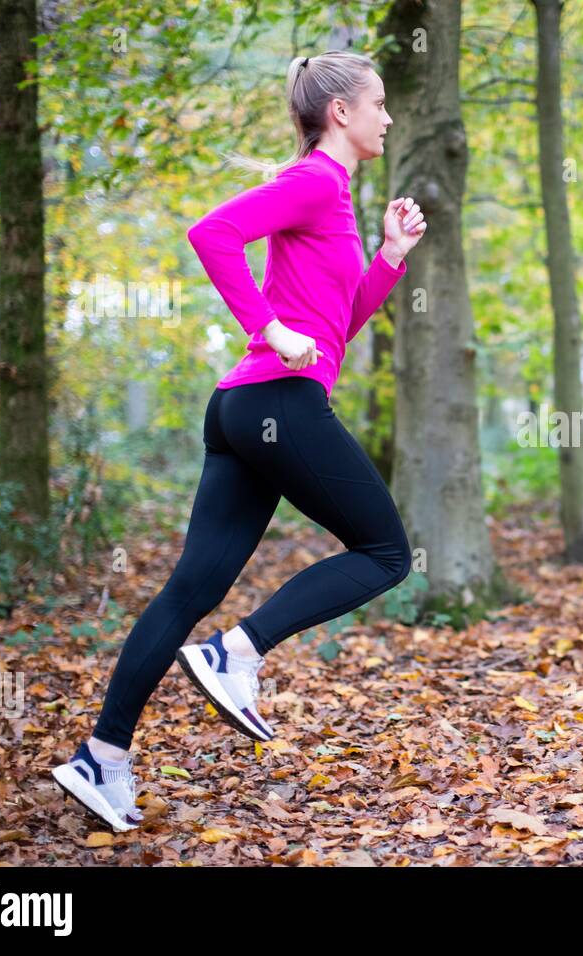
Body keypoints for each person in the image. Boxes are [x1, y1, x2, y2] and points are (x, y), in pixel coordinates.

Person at [51, 51, 426, 832]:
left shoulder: (336, 197)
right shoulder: (314, 181)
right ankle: (238, 653)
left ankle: (103, 758)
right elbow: (212, 232)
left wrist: (389, 260)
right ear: (342, 115)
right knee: (387, 554)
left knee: (189, 592)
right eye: (379, 104)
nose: (388, 117)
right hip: (277, 407)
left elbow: (335, 329)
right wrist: (266, 326)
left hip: (244, 410)